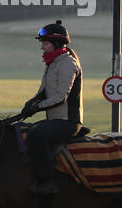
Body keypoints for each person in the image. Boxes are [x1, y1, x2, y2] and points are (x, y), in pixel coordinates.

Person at [21, 20, 84, 195]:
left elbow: (61, 97)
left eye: (45, 43)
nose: (42, 47)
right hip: (55, 120)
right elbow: (44, 92)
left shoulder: (68, 64)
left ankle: (47, 182)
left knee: (36, 136)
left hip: (68, 122)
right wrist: (31, 103)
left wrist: (38, 107)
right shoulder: (53, 63)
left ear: (57, 44)